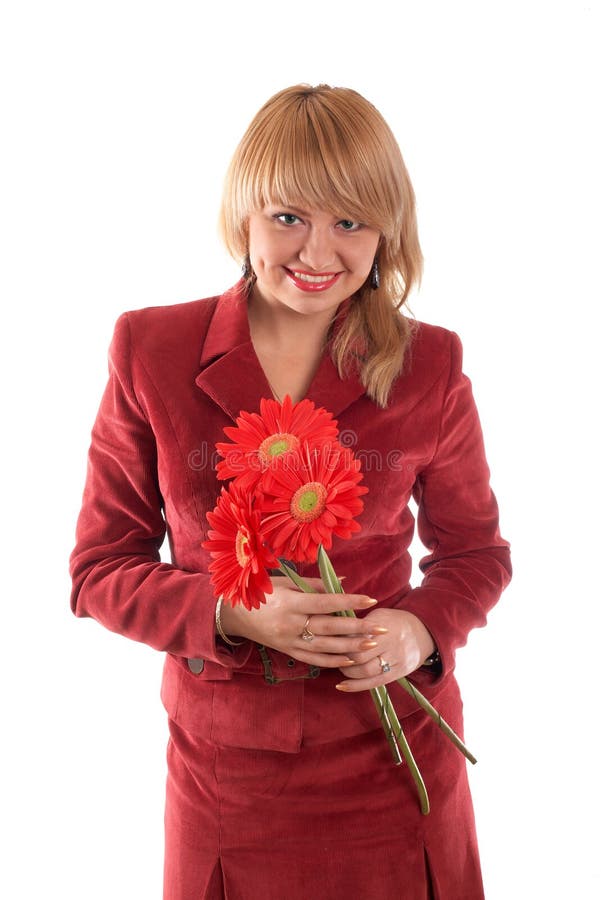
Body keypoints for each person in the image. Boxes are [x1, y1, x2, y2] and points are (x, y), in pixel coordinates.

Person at [70, 83, 511, 899]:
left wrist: (417, 630)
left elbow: (476, 553)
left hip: (394, 757)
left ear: (388, 231)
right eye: (287, 218)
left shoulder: (431, 364)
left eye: (349, 222)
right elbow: (98, 572)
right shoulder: (150, 348)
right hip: (229, 780)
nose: (316, 253)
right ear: (243, 214)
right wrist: (231, 612)